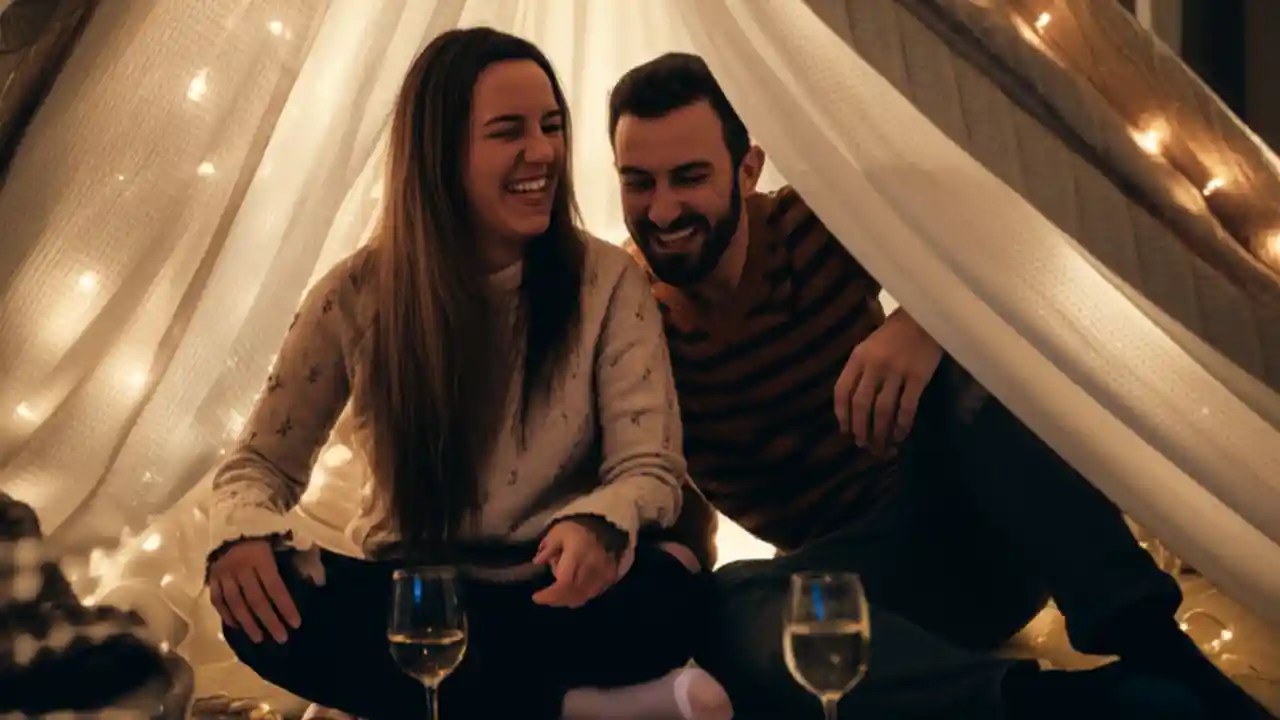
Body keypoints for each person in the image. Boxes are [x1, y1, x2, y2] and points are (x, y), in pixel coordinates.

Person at [608, 52, 1275, 720]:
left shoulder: (817, 219)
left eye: (689, 177)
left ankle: (1155, 646)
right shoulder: (623, 319)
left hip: (981, 530)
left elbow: (1017, 201)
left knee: (976, 369)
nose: (662, 210)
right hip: (853, 590)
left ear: (748, 169)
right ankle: (1071, 704)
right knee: (726, 603)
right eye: (638, 183)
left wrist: (929, 321)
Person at [205, 30, 732, 720]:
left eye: (551, 126)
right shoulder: (355, 293)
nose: (542, 152)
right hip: (420, 593)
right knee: (259, 608)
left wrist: (600, 522)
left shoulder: (609, 281)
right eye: (509, 131)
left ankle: (459, 695)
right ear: (441, 154)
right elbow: (259, 465)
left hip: (564, 591)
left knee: (669, 588)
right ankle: (580, 708)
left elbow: (651, 468)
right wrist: (240, 533)